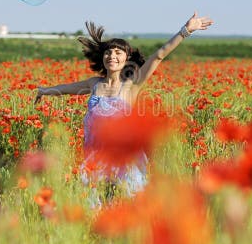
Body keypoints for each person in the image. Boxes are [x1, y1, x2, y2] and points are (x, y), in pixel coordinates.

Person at [35, 12, 213, 203]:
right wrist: (44, 91)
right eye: (108, 52)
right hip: (96, 159)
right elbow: (67, 89)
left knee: (126, 204)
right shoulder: (94, 84)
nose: (112, 56)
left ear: (126, 58)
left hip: (126, 161)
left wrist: (185, 31)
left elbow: (159, 56)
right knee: (93, 207)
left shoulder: (132, 84)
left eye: (118, 52)